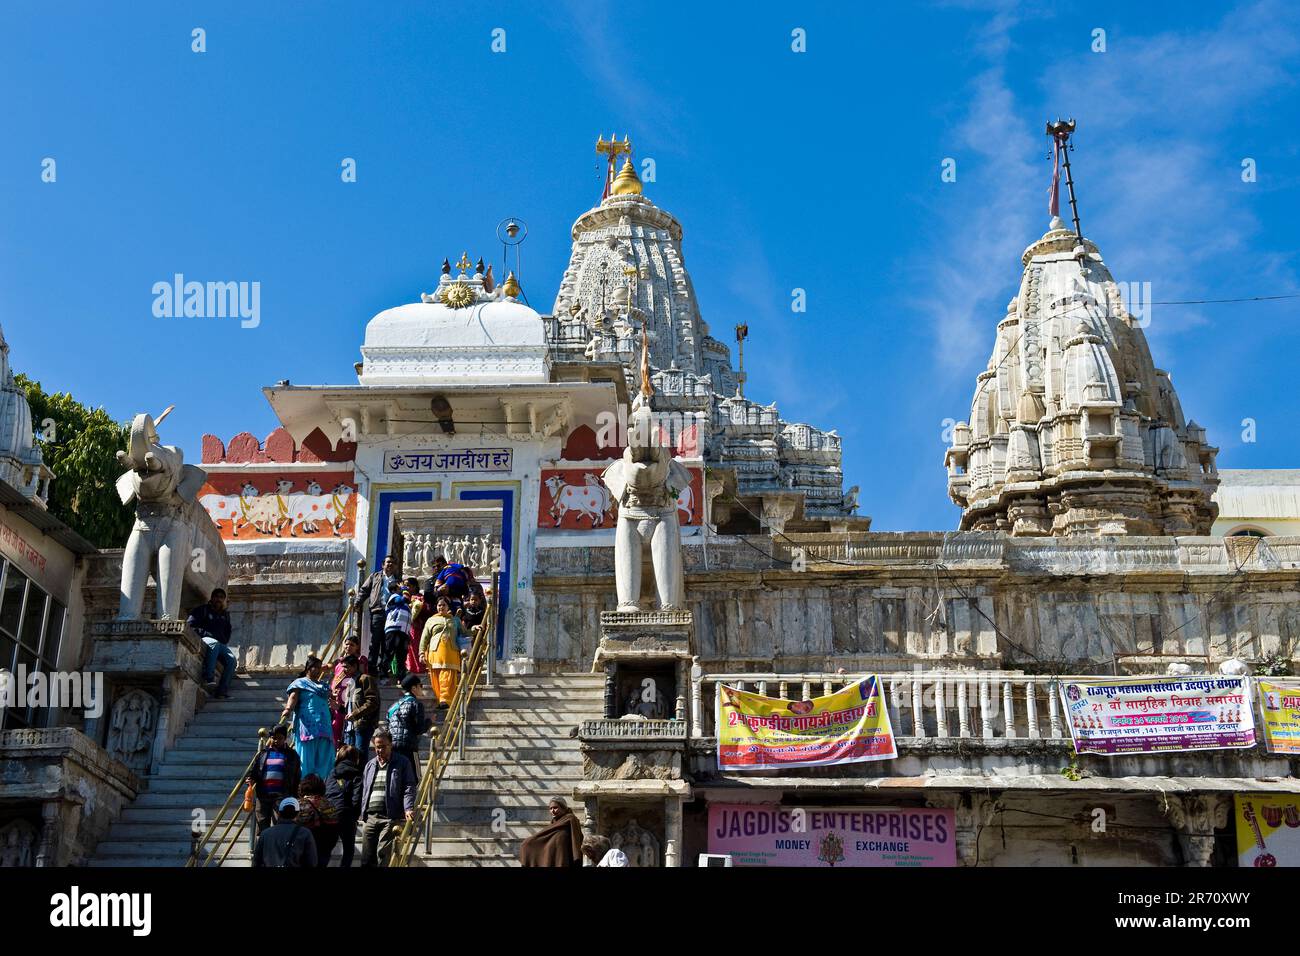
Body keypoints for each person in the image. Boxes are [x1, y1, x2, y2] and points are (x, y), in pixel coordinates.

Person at [360, 728, 417, 867]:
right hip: (370, 817)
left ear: (391, 745)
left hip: (389, 816)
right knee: (367, 858)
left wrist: (408, 807)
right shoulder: (370, 765)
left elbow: (409, 786)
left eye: (383, 747)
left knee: (383, 854)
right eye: (377, 747)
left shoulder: (402, 762)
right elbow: (365, 789)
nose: (379, 750)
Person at [281, 656, 335, 781]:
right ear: (308, 668)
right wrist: (288, 709)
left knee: (325, 758)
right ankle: (305, 788)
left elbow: (332, 701)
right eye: (314, 667)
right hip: (307, 727)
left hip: (324, 726)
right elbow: (293, 697)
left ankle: (321, 787)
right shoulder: (300, 683)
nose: (317, 670)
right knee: (305, 760)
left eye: (319, 667)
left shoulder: (324, 686)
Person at [247, 723, 301, 835]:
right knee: (262, 824)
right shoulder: (263, 754)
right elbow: (255, 770)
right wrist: (251, 779)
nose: (276, 741)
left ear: (285, 739)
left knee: (280, 824)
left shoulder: (292, 755)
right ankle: (263, 848)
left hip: (282, 795)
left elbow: (296, 776)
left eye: (280, 738)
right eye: (273, 738)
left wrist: (295, 795)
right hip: (263, 795)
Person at [420, 596, 470, 709]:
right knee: (436, 678)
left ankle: (445, 699)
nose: (441, 607)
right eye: (439, 605)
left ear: (448, 607)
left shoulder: (455, 620)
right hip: (435, 652)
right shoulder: (431, 620)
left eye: (443, 605)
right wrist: (422, 653)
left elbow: (465, 633)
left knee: (447, 676)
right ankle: (441, 699)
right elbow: (424, 637)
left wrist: (475, 629)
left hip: (451, 652)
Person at [354, 555, 399, 673]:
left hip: (392, 614)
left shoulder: (397, 580)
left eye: (393, 563)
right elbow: (364, 590)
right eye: (388, 562)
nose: (390, 564)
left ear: (395, 566)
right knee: (375, 641)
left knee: (387, 643)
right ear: (383, 564)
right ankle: (372, 669)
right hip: (377, 612)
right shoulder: (375, 577)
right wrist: (358, 602)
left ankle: (384, 670)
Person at [187, 588, 236, 698]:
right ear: (212, 598)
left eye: (221, 597)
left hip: (219, 642)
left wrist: (223, 639)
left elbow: (228, 631)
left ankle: (222, 690)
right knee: (214, 644)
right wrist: (205, 633)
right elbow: (190, 625)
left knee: (231, 659)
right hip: (204, 638)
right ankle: (208, 677)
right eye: (217, 596)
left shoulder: (225, 615)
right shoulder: (202, 610)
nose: (219, 599)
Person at [325, 745, 364, 868]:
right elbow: (356, 798)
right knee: (348, 851)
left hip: (329, 814)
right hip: (346, 815)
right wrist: (355, 816)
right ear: (355, 758)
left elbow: (326, 793)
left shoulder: (332, 773)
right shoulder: (356, 774)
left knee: (326, 850)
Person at [252, 796, 317, 867]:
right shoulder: (305, 833)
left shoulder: (265, 833)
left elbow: (256, 861)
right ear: (298, 813)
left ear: (279, 813)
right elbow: (312, 862)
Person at [519, 797, 584, 867]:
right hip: (553, 856)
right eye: (551, 808)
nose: (552, 811)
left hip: (564, 856)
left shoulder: (570, 819)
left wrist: (577, 856)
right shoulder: (554, 822)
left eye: (555, 808)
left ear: (563, 808)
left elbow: (576, 838)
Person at [387, 673, 430, 772]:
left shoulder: (392, 707)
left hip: (393, 747)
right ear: (414, 688)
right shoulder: (416, 704)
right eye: (420, 686)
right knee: (414, 777)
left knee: (397, 777)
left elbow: (387, 729)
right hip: (409, 747)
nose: (422, 688)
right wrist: (429, 721)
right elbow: (419, 729)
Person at [296, 773, 340, 867]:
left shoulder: (298, 804)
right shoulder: (329, 804)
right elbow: (335, 827)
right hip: (324, 848)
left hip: (303, 849)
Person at [339, 655, 379, 756]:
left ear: (355, 666)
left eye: (346, 667)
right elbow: (350, 708)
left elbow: (372, 702)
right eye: (343, 667)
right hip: (349, 727)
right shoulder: (349, 682)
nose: (343, 670)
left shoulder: (365, 679)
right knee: (349, 757)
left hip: (362, 725)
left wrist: (355, 714)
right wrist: (339, 707)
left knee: (360, 756)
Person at [383, 591, 413, 684]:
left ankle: (401, 676)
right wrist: (404, 596)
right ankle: (384, 675)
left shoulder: (407, 606)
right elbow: (399, 600)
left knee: (402, 655)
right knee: (389, 652)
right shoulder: (394, 597)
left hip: (403, 631)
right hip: (393, 628)